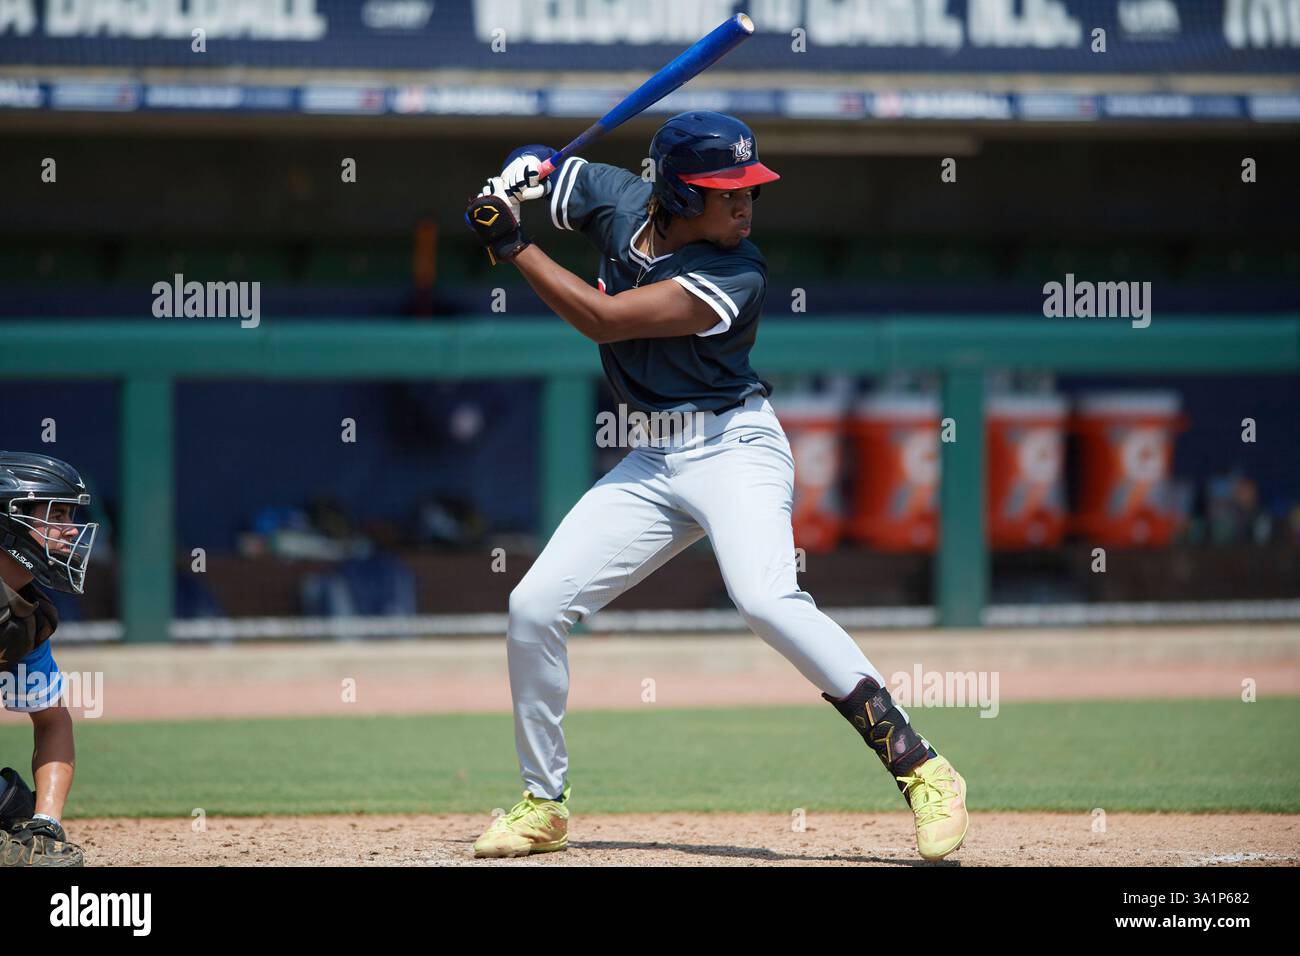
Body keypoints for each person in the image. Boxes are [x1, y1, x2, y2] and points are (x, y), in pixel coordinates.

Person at [463, 112, 968, 862]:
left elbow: (604, 321)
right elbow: (553, 170)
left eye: (749, 191)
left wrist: (511, 240)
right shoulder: (620, 201)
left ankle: (922, 767)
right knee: (533, 607)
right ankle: (545, 803)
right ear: (672, 190)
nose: (743, 206)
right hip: (652, 461)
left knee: (765, 598)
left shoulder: (738, 272)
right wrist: (520, 175)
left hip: (735, 448)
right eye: (724, 191)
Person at [0, 451, 96, 867]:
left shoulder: (23, 618)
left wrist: (45, 822)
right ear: (8, 519)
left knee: (10, 803)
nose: (71, 532)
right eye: (57, 515)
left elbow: (53, 719)